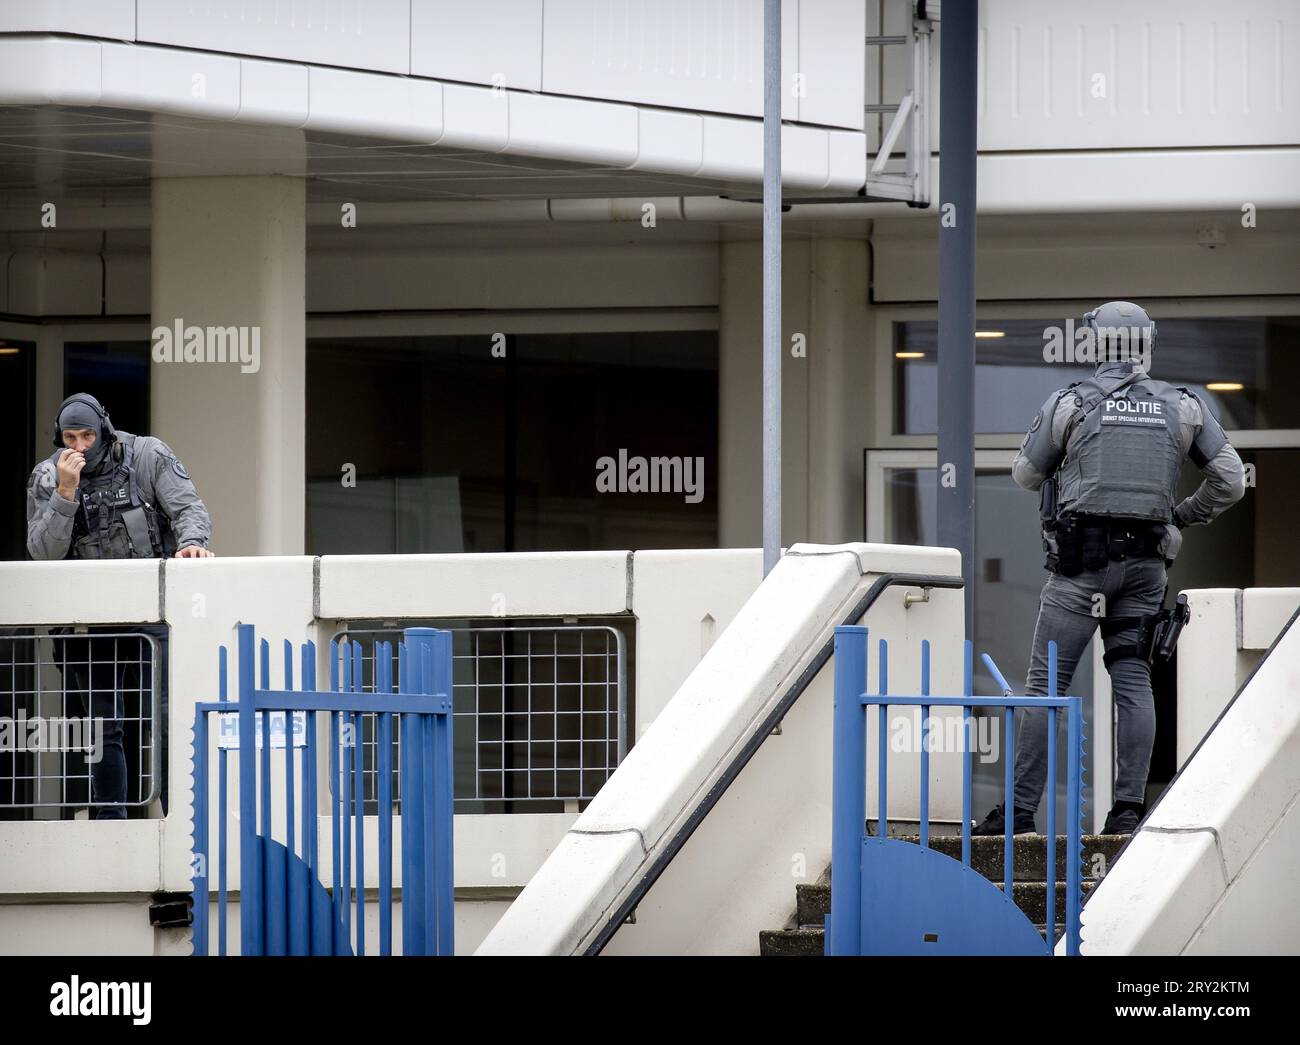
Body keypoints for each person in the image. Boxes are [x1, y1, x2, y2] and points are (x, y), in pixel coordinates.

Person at [973, 302, 1246, 837]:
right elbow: (1231, 481)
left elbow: (1027, 475)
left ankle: (1021, 815)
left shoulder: (1071, 402)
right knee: (1133, 679)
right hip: (1146, 569)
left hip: (1080, 568)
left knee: (1045, 687)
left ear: (1095, 345)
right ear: (1146, 346)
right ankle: (1126, 812)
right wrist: (1181, 516)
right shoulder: (1185, 405)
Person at [25, 393, 215, 818]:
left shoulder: (147, 455)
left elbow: (189, 509)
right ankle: (112, 825)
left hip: (153, 616)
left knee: (166, 719)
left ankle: (185, 824)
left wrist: (192, 544)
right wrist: (66, 492)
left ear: (104, 430)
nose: (79, 447)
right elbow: (42, 552)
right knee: (103, 727)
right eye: (70, 437)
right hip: (86, 624)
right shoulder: (47, 475)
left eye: (88, 435)